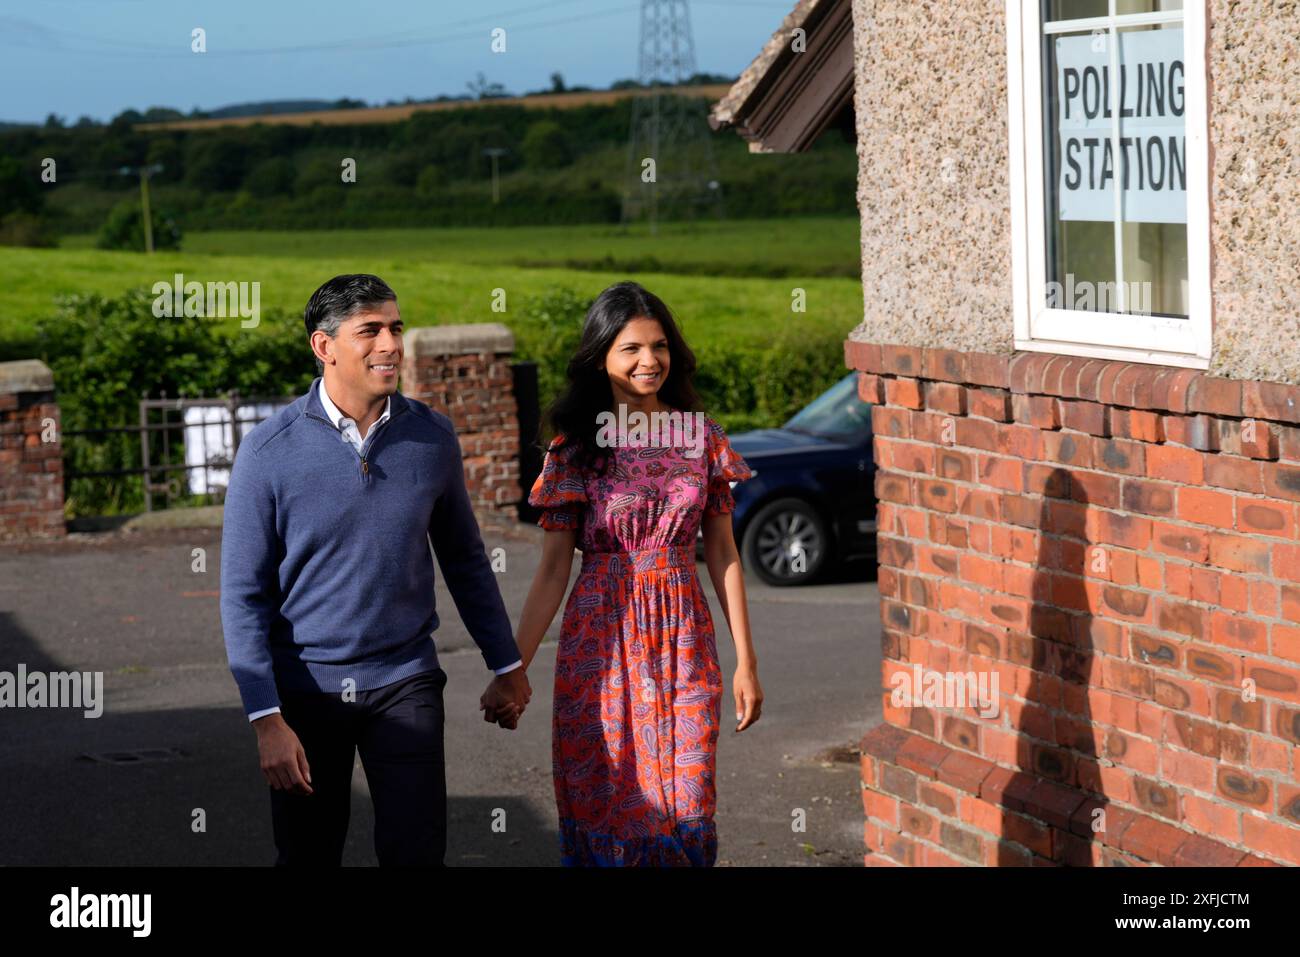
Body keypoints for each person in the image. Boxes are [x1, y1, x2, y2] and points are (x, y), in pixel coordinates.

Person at [219, 273, 531, 867]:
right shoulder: (267, 452)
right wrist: (266, 718)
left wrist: (506, 663)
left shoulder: (431, 437)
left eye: (395, 328)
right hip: (305, 689)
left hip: (405, 679)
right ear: (324, 346)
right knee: (308, 855)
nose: (390, 344)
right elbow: (242, 595)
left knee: (416, 853)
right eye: (370, 331)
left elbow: (465, 559)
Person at [495, 280, 763, 866]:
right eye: (632, 349)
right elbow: (550, 574)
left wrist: (747, 659)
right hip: (601, 642)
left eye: (660, 346)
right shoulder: (576, 448)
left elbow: (722, 552)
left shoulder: (701, 437)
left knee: (687, 796)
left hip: (685, 637)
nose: (650, 361)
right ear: (600, 358)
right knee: (614, 797)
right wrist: (513, 669)